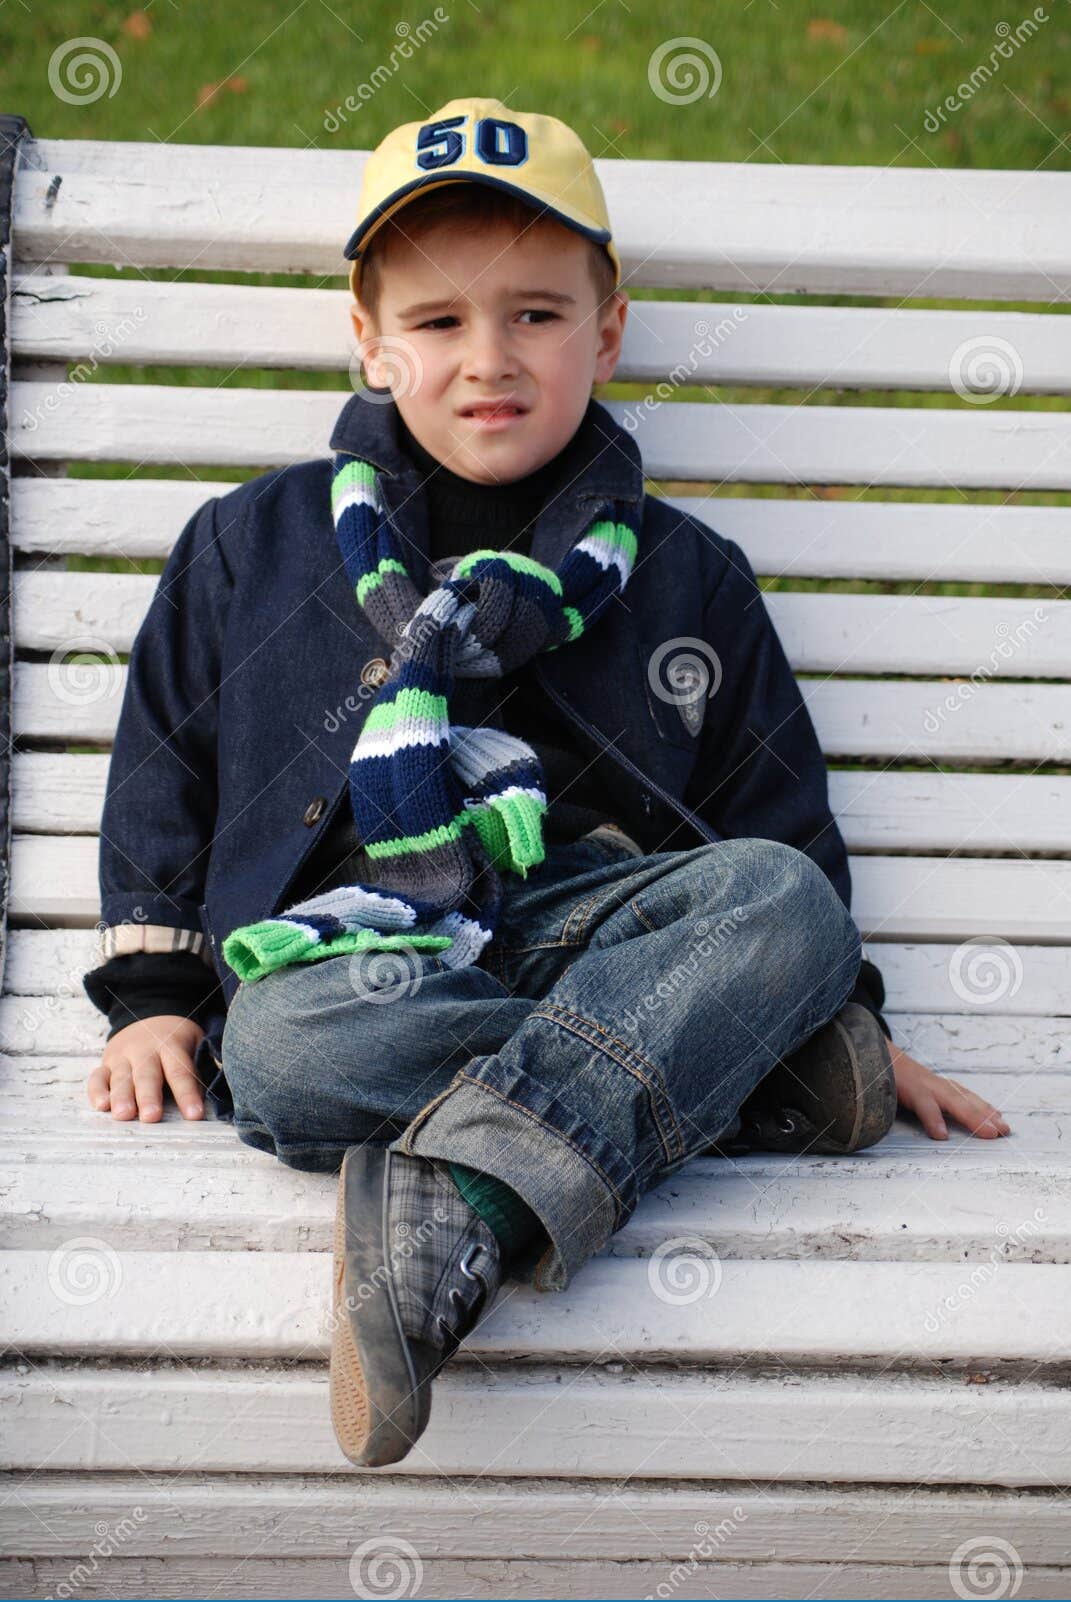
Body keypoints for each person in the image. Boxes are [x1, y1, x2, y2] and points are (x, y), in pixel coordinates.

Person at [83, 97, 1011, 1471]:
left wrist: (832, 979)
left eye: (535, 315)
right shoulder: (250, 546)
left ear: (609, 329)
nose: (489, 360)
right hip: (363, 947)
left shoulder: (683, 570)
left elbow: (776, 817)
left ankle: (457, 1200)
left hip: (606, 911)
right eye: (442, 323)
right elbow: (167, 759)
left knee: (784, 901)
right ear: (368, 337)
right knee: (274, 1048)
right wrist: (156, 997)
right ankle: (734, 1065)